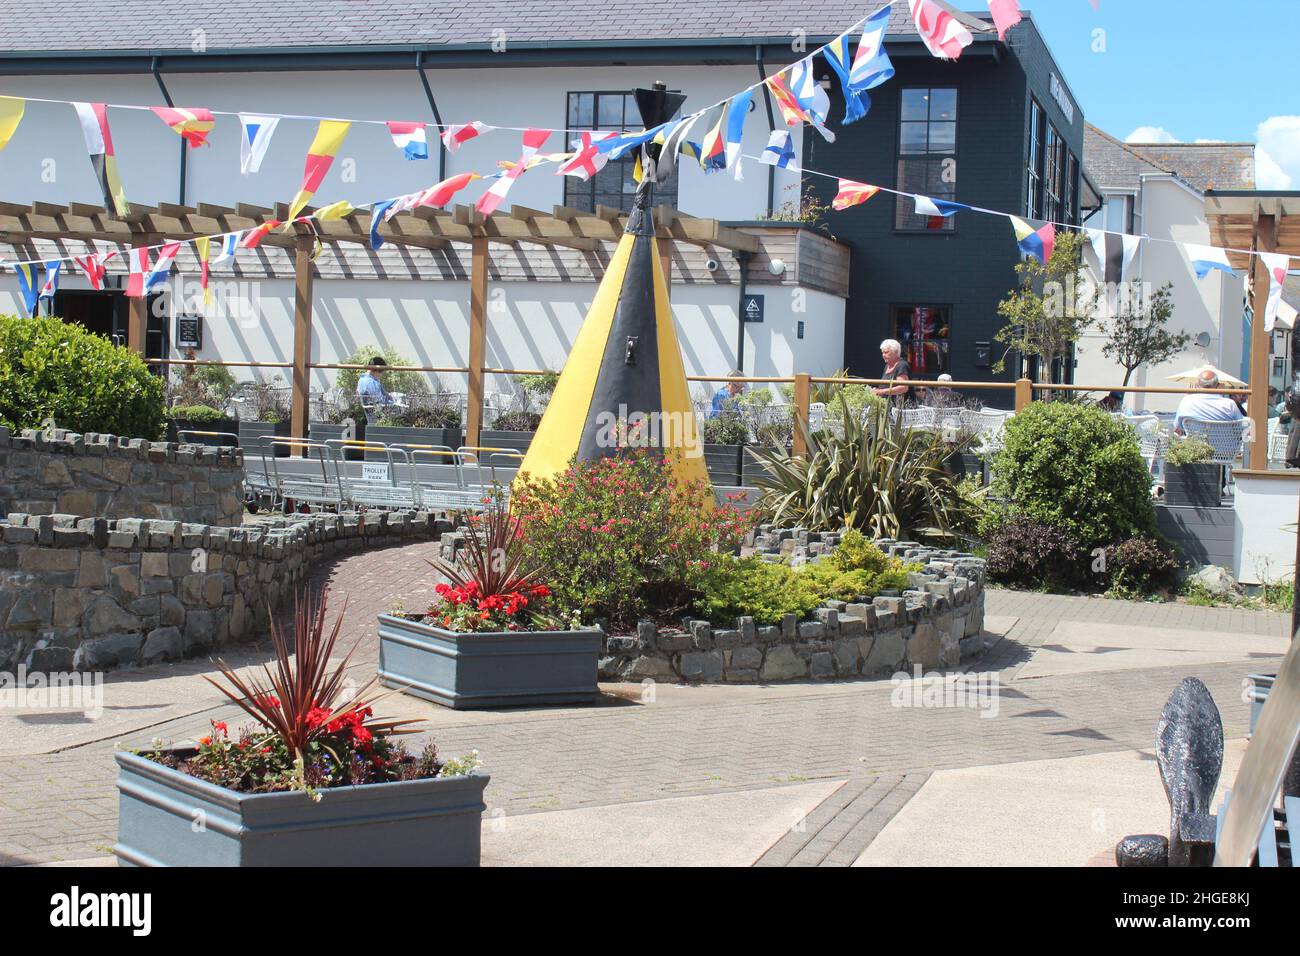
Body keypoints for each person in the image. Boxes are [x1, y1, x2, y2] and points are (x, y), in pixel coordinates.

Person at [1173, 368, 1243, 435]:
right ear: (1218, 386)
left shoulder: (1186, 401)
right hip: (1226, 446)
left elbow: (1177, 428)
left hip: (1196, 446)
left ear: (1197, 385)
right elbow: (1241, 427)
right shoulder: (1230, 404)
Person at [356, 355, 394, 423]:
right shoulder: (372, 382)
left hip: (369, 415)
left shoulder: (362, 379)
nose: (382, 375)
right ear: (377, 371)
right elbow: (379, 402)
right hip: (377, 417)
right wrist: (393, 401)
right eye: (382, 372)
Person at [872, 339, 910, 403]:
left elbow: (903, 388)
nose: (883, 355)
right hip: (887, 406)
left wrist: (881, 392)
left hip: (899, 408)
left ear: (895, 352)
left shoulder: (901, 365)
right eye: (882, 352)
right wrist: (877, 390)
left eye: (886, 352)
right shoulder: (887, 366)